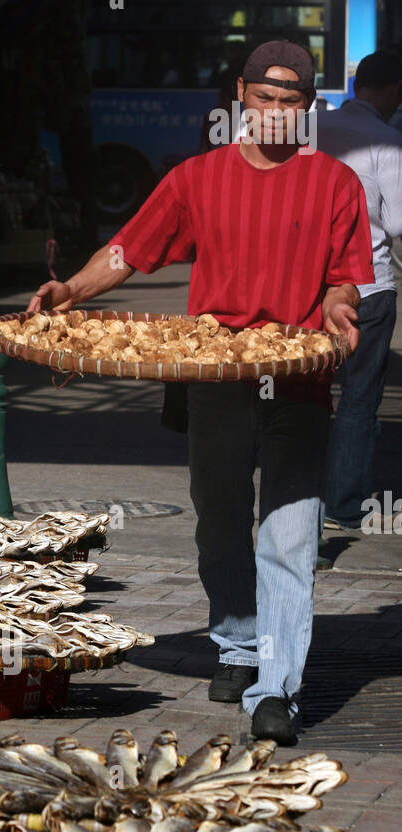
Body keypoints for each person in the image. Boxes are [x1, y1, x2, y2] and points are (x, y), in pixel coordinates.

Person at [28, 40, 373, 745]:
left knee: (287, 534)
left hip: (299, 379)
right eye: (265, 97)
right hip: (215, 381)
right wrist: (70, 290)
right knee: (218, 522)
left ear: (307, 108)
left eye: (291, 101)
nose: (276, 111)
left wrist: (339, 308)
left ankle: (276, 689)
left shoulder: (334, 184)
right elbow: (129, 249)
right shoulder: (196, 178)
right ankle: (236, 643)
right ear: (239, 98)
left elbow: (346, 275)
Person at [315, 50, 402, 530]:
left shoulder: (315, 131)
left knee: (303, 394)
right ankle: (344, 506)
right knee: (359, 397)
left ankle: (298, 497)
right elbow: (396, 221)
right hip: (368, 287)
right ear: (393, 91)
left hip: (310, 288)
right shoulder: (387, 140)